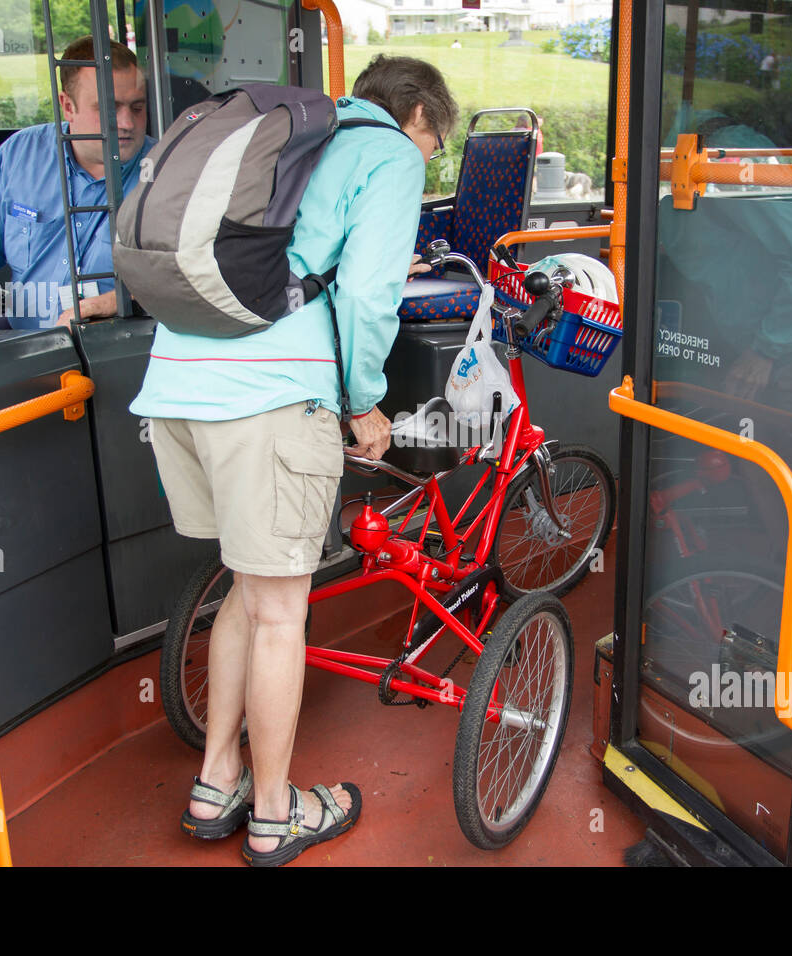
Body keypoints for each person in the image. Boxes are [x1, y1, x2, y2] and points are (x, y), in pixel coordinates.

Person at [129, 55, 458, 866]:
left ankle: (217, 785)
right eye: (437, 142)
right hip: (266, 398)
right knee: (281, 611)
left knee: (248, 590)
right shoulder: (384, 152)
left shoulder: (286, 132)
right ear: (414, 113)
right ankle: (275, 816)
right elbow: (370, 295)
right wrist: (363, 399)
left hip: (175, 388)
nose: (431, 157)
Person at [0, 36, 155, 329]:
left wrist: (112, 303)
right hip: (29, 345)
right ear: (67, 106)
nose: (127, 123)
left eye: (137, 108)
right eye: (109, 108)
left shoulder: (166, 170)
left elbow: (195, 276)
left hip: (121, 347)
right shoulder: (21, 154)